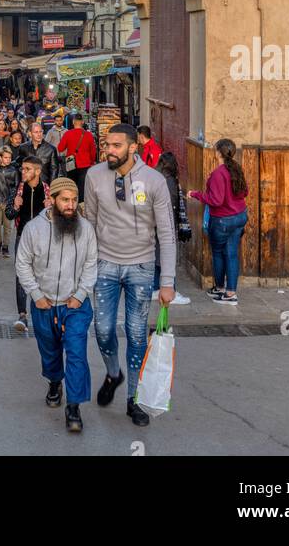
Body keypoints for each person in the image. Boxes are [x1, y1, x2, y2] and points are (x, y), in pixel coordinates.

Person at [84, 123, 177, 428]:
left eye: (115, 146)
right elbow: (92, 223)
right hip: (106, 264)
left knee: (137, 335)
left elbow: (166, 231)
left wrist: (167, 282)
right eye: (106, 145)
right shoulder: (95, 175)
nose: (108, 150)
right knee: (103, 328)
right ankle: (113, 372)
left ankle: (133, 400)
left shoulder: (154, 181)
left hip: (141, 266)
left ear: (133, 147)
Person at [15, 176, 98, 433]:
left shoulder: (85, 229)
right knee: (50, 352)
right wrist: (36, 294)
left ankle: (74, 406)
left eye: (74, 200)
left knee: (76, 353)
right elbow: (22, 264)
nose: (71, 205)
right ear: (52, 200)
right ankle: (54, 382)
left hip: (75, 306)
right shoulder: (33, 229)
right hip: (44, 305)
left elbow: (91, 264)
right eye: (65, 200)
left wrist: (81, 294)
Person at [187, 138, 249, 305]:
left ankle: (220, 289)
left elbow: (215, 200)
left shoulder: (218, 174)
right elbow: (245, 192)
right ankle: (231, 293)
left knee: (218, 253)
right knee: (232, 254)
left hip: (222, 220)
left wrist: (195, 194)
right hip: (240, 216)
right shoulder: (237, 169)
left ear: (219, 153)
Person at [5, 156, 51, 333]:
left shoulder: (48, 190)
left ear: (37, 171)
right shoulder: (18, 189)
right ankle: (22, 315)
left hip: (43, 239)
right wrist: (15, 207)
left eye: (27, 169)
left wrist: (51, 208)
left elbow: (58, 219)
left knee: (42, 274)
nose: (23, 172)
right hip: (22, 237)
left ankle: (41, 312)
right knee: (21, 275)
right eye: (22, 168)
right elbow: (9, 215)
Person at [152, 151, 191, 306]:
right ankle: (171, 291)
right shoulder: (168, 182)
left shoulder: (156, 178)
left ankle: (155, 288)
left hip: (155, 225)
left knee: (157, 257)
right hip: (164, 225)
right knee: (167, 257)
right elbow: (171, 205)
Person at [57, 112, 97, 204]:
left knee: (72, 186)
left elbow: (60, 148)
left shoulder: (68, 134)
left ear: (73, 122)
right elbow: (93, 151)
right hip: (85, 164)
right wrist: (92, 162)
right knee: (82, 187)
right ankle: (82, 206)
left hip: (71, 165)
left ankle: (72, 204)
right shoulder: (88, 135)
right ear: (82, 122)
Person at [18, 120, 60, 185]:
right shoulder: (23, 148)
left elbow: (54, 170)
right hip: (27, 184)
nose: (39, 134)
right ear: (30, 133)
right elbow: (19, 165)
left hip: (44, 185)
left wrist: (51, 188)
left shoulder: (51, 149)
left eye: (40, 131)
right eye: (36, 132)